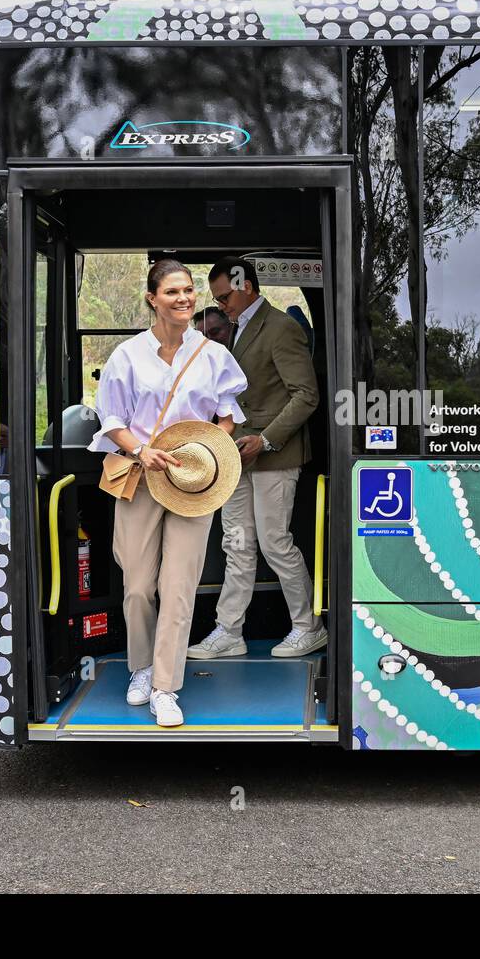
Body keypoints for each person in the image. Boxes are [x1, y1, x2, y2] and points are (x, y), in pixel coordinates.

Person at [88, 258, 247, 726]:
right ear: (152, 299)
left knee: (178, 588)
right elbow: (112, 421)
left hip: (193, 482)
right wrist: (142, 452)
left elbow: (227, 412)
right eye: (173, 292)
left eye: (188, 291)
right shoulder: (127, 355)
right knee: (138, 586)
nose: (184, 299)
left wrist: (211, 450)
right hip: (139, 476)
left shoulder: (213, 354)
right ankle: (140, 667)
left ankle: (165, 687)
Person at [187, 255, 324, 659]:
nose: (221, 304)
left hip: (273, 456)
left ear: (246, 285)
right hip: (236, 455)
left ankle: (308, 626)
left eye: (225, 296)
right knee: (237, 543)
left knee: (275, 543)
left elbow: (307, 395)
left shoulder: (280, 328)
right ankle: (229, 630)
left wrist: (264, 441)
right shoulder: (234, 330)